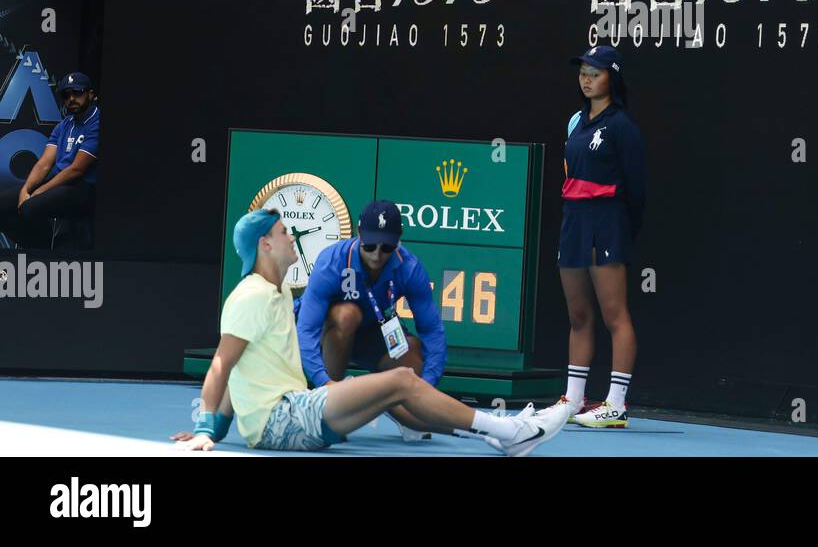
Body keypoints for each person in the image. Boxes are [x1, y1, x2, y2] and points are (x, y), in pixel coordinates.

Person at [170, 208, 568, 454]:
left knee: (403, 392)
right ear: (265, 245)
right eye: (283, 232)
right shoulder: (253, 295)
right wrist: (206, 429)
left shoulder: (276, 293)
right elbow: (222, 366)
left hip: (294, 413)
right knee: (401, 381)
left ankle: (496, 435)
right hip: (287, 417)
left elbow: (240, 372)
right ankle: (509, 430)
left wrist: (218, 428)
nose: (292, 236)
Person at [538, 45, 645, 429]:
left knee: (615, 314)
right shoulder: (575, 122)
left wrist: (621, 230)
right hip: (574, 223)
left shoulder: (622, 126)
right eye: (583, 71)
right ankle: (573, 399)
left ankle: (615, 405)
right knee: (578, 315)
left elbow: (636, 188)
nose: (586, 79)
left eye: (595, 73)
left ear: (611, 79)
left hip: (607, 222)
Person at [294, 200, 447, 440]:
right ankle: (326, 405)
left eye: (386, 247)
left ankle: (381, 397)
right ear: (358, 234)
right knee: (346, 315)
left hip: (373, 330)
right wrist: (323, 382)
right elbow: (306, 329)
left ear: (399, 239)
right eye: (370, 245)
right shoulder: (332, 261)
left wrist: (425, 387)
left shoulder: (410, 267)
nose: (377, 255)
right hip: (329, 333)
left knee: (412, 353)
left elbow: (432, 331)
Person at [0, 73, 98, 251]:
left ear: (90, 94)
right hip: (59, 183)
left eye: (77, 92)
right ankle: (40, 248)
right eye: (66, 95)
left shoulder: (97, 123)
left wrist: (39, 192)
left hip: (83, 188)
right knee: (4, 204)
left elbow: (76, 170)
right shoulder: (64, 125)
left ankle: (45, 253)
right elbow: (44, 164)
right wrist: (25, 190)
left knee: (30, 207)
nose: (71, 99)